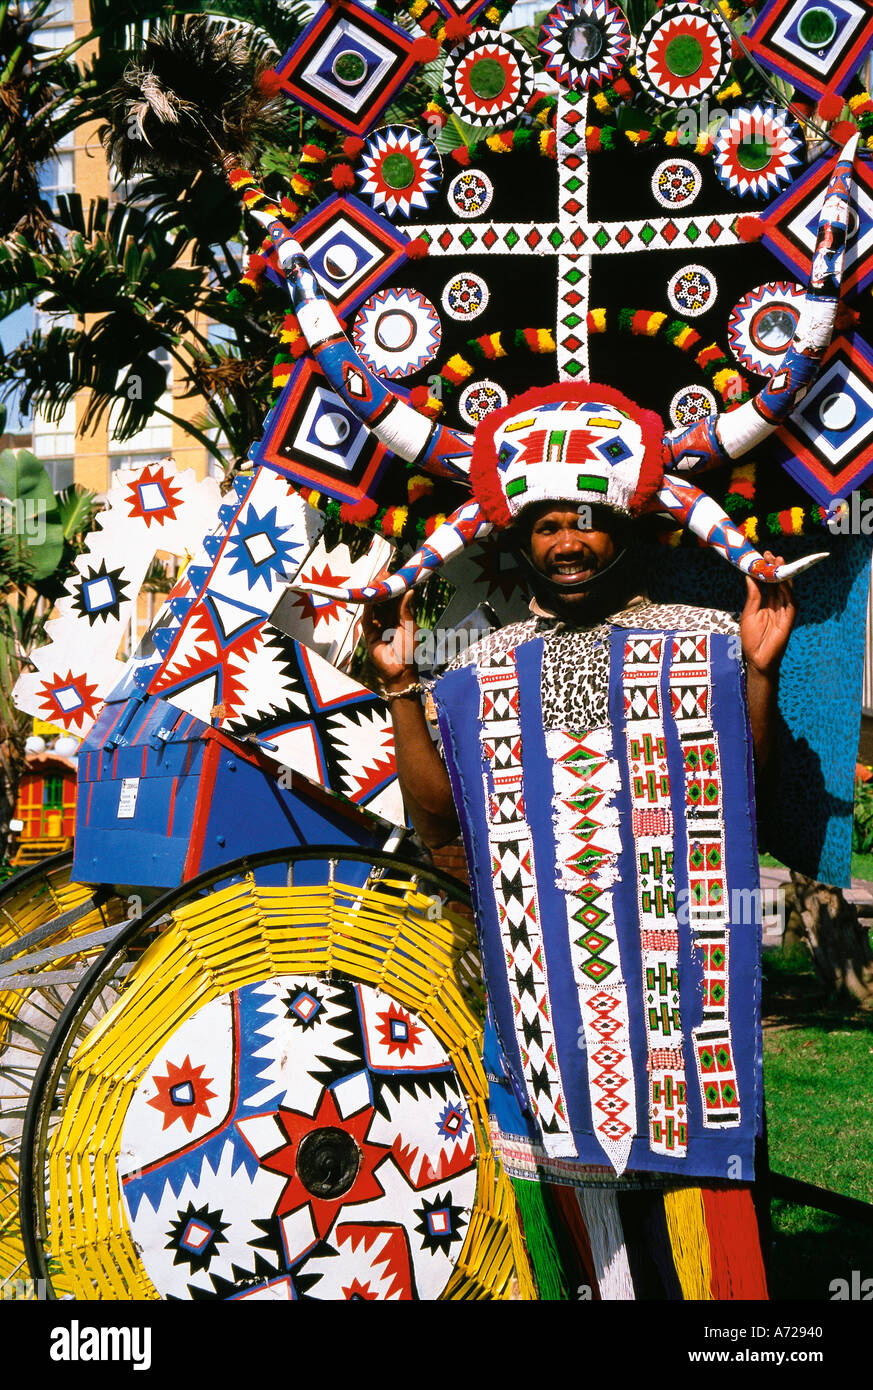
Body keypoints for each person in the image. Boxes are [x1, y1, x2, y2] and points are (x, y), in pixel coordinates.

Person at [363, 386, 794, 1300]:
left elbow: (743, 794)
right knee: (588, 1259)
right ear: (517, 543)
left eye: (586, 521)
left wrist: (757, 673)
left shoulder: (705, 641)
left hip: (679, 1025)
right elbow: (445, 835)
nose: (566, 542)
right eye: (546, 525)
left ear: (626, 532)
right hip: (545, 1026)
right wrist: (402, 686)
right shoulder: (479, 670)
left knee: (708, 1266)